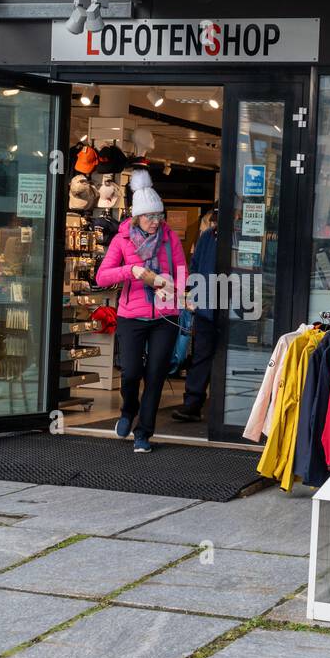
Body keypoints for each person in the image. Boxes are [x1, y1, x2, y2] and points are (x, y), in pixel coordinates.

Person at [95, 166, 187, 453]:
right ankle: (127, 409)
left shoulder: (170, 238)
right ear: (137, 216)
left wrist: (178, 288)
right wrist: (133, 270)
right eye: (150, 216)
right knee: (132, 371)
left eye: (159, 216)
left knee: (156, 374)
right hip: (131, 316)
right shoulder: (122, 240)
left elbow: (183, 270)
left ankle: (143, 433)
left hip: (164, 316)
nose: (156, 222)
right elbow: (101, 277)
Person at [173, 208, 218, 423]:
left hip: (235, 306)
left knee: (231, 358)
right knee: (201, 356)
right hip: (207, 307)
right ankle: (192, 404)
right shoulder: (208, 237)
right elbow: (196, 266)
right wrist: (193, 295)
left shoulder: (241, 234)